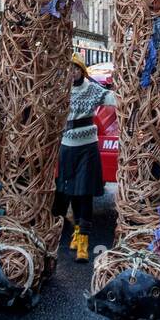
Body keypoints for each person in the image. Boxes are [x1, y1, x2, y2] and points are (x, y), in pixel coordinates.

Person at [52, 55, 115, 262]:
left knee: (84, 193)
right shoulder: (61, 91)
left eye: (76, 69)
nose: (73, 73)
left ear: (81, 70)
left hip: (87, 148)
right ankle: (76, 232)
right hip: (67, 148)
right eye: (70, 69)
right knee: (71, 193)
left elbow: (111, 99)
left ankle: (83, 242)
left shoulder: (91, 88)